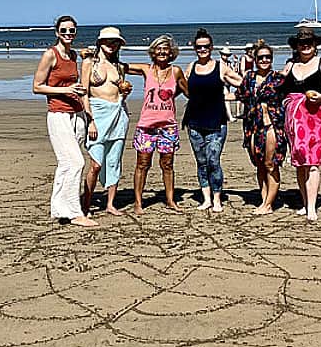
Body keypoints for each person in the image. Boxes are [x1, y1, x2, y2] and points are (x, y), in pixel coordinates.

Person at [32, 15, 97, 228]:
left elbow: (77, 77)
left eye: (72, 31)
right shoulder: (50, 55)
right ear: (57, 32)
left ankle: (61, 209)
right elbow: (37, 86)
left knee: (66, 165)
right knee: (75, 162)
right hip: (58, 114)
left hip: (76, 114)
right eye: (64, 31)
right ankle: (74, 213)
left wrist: (85, 110)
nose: (68, 34)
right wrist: (66, 89)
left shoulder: (73, 55)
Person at [282, 27, 321, 222]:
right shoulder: (290, 65)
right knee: (300, 162)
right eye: (302, 42)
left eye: (309, 42)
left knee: (313, 162)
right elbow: (278, 87)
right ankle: (304, 201)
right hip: (294, 120)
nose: (305, 45)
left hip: (317, 118)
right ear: (296, 46)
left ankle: (311, 207)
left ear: (315, 45)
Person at [183, 28, 244, 212]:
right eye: (199, 47)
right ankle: (206, 199)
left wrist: (233, 98)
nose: (202, 50)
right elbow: (180, 87)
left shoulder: (220, 67)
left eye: (206, 47)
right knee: (201, 162)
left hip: (216, 123)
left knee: (213, 161)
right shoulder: (191, 67)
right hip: (194, 122)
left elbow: (242, 84)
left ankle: (217, 199)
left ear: (211, 47)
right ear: (195, 48)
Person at [126, 34, 188, 213]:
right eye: (158, 49)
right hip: (147, 126)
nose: (162, 52)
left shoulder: (175, 71)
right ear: (153, 52)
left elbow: (188, 91)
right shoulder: (147, 69)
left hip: (167, 126)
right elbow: (122, 67)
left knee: (167, 164)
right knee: (142, 164)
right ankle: (138, 202)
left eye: (165, 49)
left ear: (171, 52)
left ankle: (170, 200)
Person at [81, 27, 132, 216]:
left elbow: (119, 93)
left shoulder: (119, 67)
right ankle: (86, 204)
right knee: (96, 164)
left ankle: (110, 203)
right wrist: (90, 120)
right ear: (100, 42)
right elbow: (84, 93)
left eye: (115, 41)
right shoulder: (89, 63)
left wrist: (124, 94)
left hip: (118, 115)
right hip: (98, 115)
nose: (111, 44)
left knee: (114, 161)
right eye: (108, 41)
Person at [236, 39, 287, 214]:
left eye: (268, 57)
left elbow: (294, 94)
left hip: (272, 125)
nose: (264, 60)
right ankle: (264, 199)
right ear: (255, 59)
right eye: (261, 57)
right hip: (253, 127)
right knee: (259, 164)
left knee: (270, 164)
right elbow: (239, 95)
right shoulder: (249, 77)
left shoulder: (279, 79)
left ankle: (268, 204)